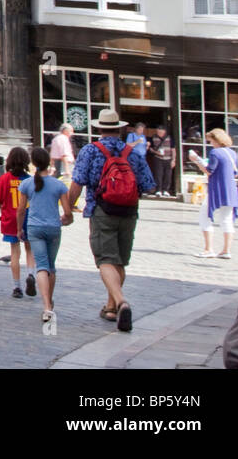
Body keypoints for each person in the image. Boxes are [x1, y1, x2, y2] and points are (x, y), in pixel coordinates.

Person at [68, 109, 155, 332]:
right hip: (128, 211)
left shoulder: (90, 151)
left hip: (101, 210)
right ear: (120, 129)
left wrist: (68, 208)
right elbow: (148, 185)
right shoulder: (133, 152)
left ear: (99, 129)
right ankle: (110, 307)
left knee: (106, 260)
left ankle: (121, 302)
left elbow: (77, 182)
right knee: (120, 261)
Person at [18, 146, 73, 329]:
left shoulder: (26, 184)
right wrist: (66, 220)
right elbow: (67, 212)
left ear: (33, 164)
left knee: (41, 266)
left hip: (34, 228)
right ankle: (50, 298)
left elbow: (20, 210)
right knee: (51, 267)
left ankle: (47, 307)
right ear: (49, 162)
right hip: (53, 228)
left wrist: (19, 229)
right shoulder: (59, 185)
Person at [0, 146, 36, 299]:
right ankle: (31, 274)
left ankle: (16, 286)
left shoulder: (4, 178)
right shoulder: (30, 180)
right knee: (30, 249)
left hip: (11, 218)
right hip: (28, 217)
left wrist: (2, 207)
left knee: (14, 253)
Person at [190, 128, 238, 260]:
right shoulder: (232, 153)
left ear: (216, 140)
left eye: (211, 141)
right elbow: (235, 172)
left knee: (204, 217)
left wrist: (196, 160)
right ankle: (226, 250)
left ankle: (208, 249)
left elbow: (209, 170)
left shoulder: (215, 152)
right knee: (227, 220)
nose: (211, 144)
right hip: (230, 190)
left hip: (217, 189)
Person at [147, 125, 175, 198]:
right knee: (158, 174)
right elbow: (150, 149)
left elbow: (173, 149)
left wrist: (173, 160)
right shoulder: (153, 137)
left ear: (164, 132)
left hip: (168, 158)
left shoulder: (170, 138)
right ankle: (158, 190)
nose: (159, 133)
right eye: (158, 132)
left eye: (160, 132)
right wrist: (156, 153)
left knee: (168, 175)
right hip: (158, 158)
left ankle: (166, 190)